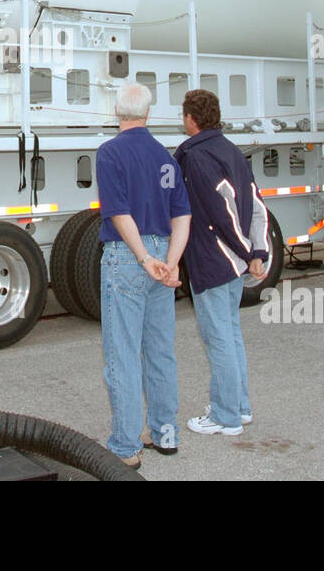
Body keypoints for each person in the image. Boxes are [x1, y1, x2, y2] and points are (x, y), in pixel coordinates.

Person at [95, 82, 191, 468]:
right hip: (163, 258)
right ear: (148, 113)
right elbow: (182, 215)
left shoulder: (110, 153)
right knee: (160, 351)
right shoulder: (166, 158)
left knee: (122, 353)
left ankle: (125, 446)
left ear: (116, 111)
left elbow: (119, 213)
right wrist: (171, 261)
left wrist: (142, 257)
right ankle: (165, 431)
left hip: (127, 257)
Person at [173, 90, 268, 438]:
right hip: (234, 264)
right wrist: (258, 251)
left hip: (214, 261)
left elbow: (220, 212)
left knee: (218, 340)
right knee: (231, 334)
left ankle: (225, 416)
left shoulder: (196, 157)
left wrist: (247, 252)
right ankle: (239, 407)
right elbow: (256, 205)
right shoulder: (232, 151)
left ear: (190, 119)